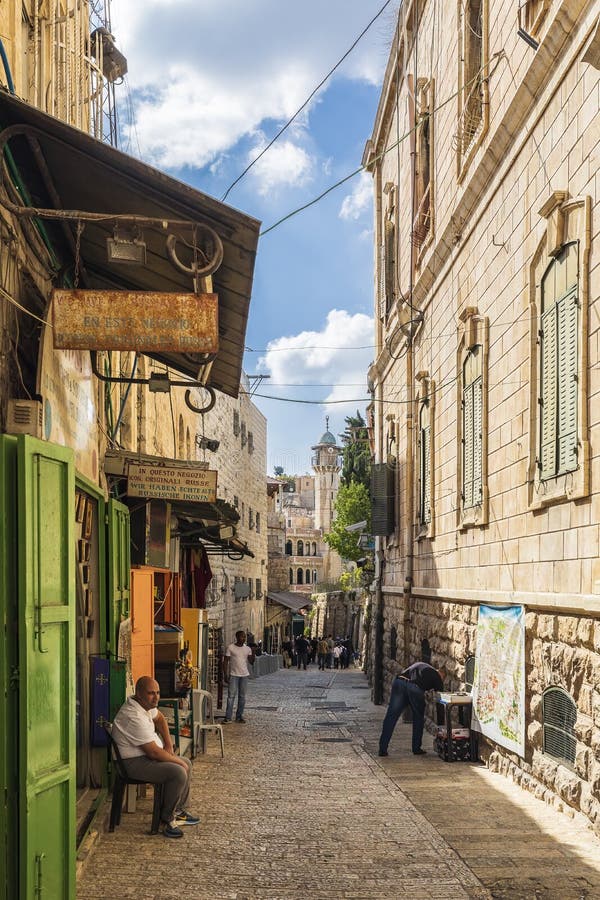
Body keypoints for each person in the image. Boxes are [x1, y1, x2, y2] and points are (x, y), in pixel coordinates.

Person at [111, 676, 200, 839]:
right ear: (139, 694)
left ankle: (178, 811)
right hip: (131, 764)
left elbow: (160, 718)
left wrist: (168, 743)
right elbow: (153, 752)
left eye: (158, 692)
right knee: (179, 771)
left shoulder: (145, 705)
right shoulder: (133, 715)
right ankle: (166, 819)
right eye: (151, 693)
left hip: (145, 757)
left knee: (186, 763)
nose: (156, 697)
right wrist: (176, 760)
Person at [378, 661, 445, 757]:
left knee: (391, 716)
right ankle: (416, 748)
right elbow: (440, 700)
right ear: (441, 674)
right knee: (418, 717)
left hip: (399, 682)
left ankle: (382, 748)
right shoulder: (438, 677)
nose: (442, 680)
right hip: (415, 688)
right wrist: (441, 725)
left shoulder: (422, 665)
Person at [223, 630, 256, 722]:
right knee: (231, 696)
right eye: (242, 636)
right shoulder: (231, 647)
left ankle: (239, 716)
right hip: (233, 675)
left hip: (244, 675)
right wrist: (225, 674)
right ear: (237, 637)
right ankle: (228, 717)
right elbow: (226, 661)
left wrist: (253, 652)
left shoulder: (247, 649)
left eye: (244, 637)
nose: (243, 638)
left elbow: (251, 662)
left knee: (242, 697)